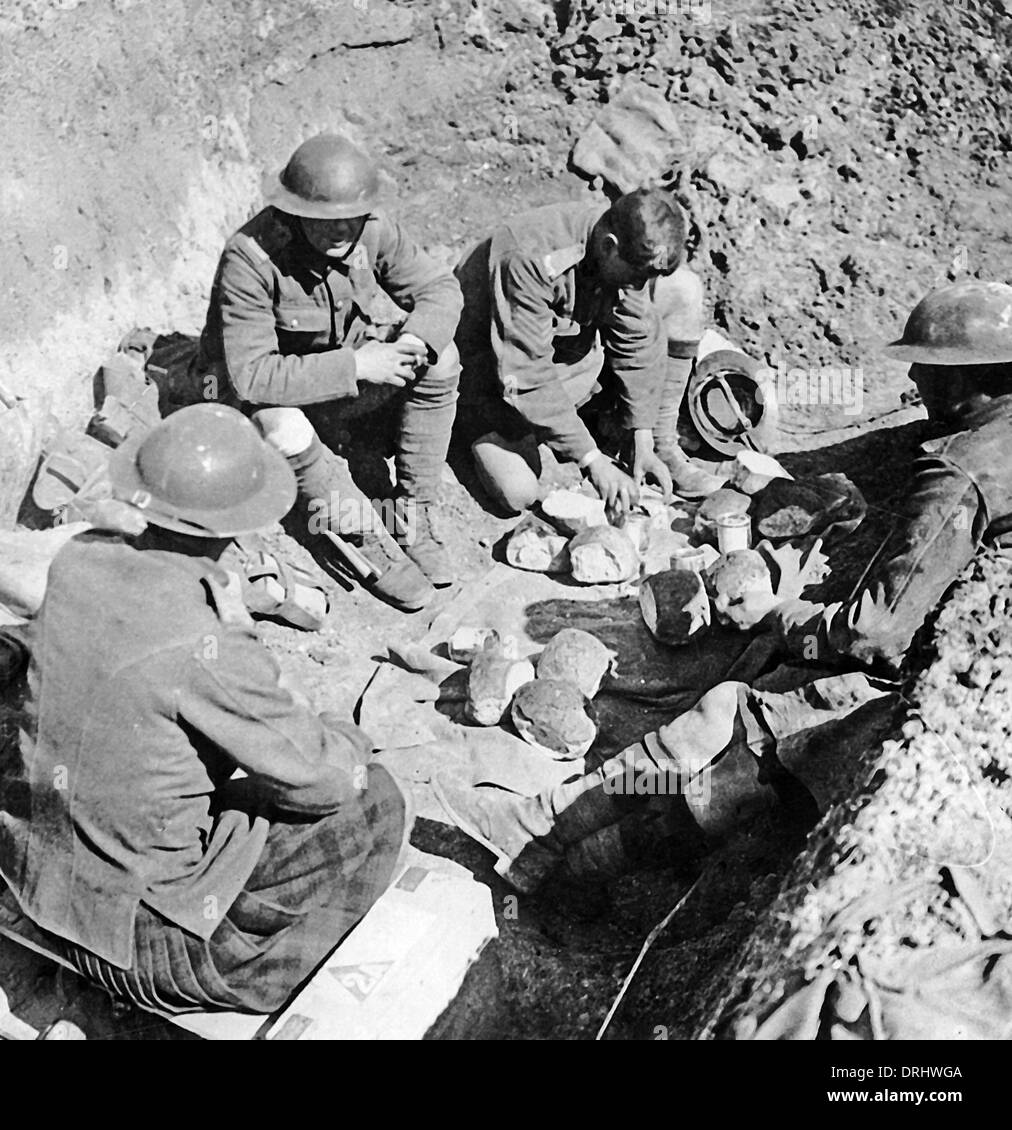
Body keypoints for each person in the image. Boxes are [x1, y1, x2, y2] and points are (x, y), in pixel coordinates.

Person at [434, 279, 1012, 893]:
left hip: (936, 690)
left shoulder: (960, 468)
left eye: (928, 365)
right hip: (976, 687)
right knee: (726, 759)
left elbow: (877, 632)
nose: (916, 379)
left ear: (969, 376)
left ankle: (550, 846)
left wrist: (781, 613)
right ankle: (545, 846)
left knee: (725, 760)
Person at [0, 404, 408, 1015]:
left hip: (36, 882)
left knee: (223, 785)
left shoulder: (78, 559)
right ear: (238, 521)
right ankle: (280, 981)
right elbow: (321, 782)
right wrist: (342, 731)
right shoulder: (207, 636)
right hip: (144, 947)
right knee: (373, 795)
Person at [186, 133, 464, 612]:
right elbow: (252, 377)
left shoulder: (371, 227)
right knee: (285, 427)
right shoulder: (250, 258)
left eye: (348, 219)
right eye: (322, 221)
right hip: (256, 397)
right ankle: (363, 538)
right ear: (294, 211)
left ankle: (411, 514)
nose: (338, 232)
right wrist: (359, 364)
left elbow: (439, 288)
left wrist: (413, 342)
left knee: (444, 358)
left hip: (335, 378)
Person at [455, 190, 725, 517]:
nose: (639, 285)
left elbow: (637, 337)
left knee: (683, 289)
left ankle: (656, 445)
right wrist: (591, 460)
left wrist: (642, 436)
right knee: (519, 493)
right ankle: (475, 438)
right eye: (637, 276)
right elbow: (524, 377)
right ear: (609, 246)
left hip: (564, 363)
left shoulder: (624, 240)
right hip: (498, 383)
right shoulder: (531, 257)